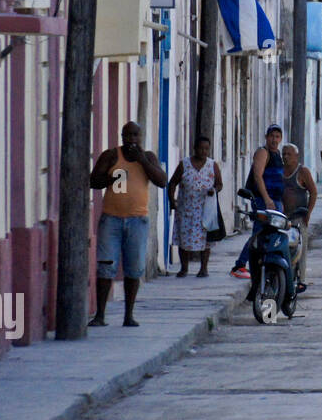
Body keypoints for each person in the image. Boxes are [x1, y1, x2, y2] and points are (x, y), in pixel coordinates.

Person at [88, 122, 168, 327]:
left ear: (141, 137)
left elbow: (162, 181)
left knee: (134, 269)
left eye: (135, 135)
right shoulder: (112, 155)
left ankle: (128, 315)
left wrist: (143, 161)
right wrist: (110, 177)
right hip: (111, 220)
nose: (132, 139)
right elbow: (93, 181)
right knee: (106, 266)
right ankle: (100, 315)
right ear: (122, 136)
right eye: (128, 135)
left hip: (138, 221)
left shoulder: (148, 157)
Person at [231, 125, 285, 279]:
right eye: (271, 136)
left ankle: (265, 264)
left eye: (277, 136)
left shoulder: (278, 155)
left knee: (272, 233)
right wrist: (267, 198)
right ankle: (240, 265)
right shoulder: (263, 152)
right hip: (263, 201)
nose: (274, 140)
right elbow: (257, 176)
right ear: (266, 137)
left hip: (276, 201)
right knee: (259, 233)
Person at [167, 135, 223, 278]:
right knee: (183, 238)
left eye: (206, 149)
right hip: (186, 208)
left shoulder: (212, 165)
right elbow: (172, 182)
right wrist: (172, 200)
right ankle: (184, 268)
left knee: (206, 240)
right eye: (201, 148)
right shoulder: (184, 164)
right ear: (195, 148)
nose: (203, 151)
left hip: (206, 209)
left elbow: (219, 184)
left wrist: (214, 190)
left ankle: (203, 268)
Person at [280, 143, 319, 290]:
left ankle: (301, 279)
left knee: (301, 248)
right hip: (282, 217)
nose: (285, 157)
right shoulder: (280, 171)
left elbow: (313, 192)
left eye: (289, 154)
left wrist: (308, 212)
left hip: (298, 217)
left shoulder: (302, 172)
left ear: (296, 156)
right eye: (284, 154)